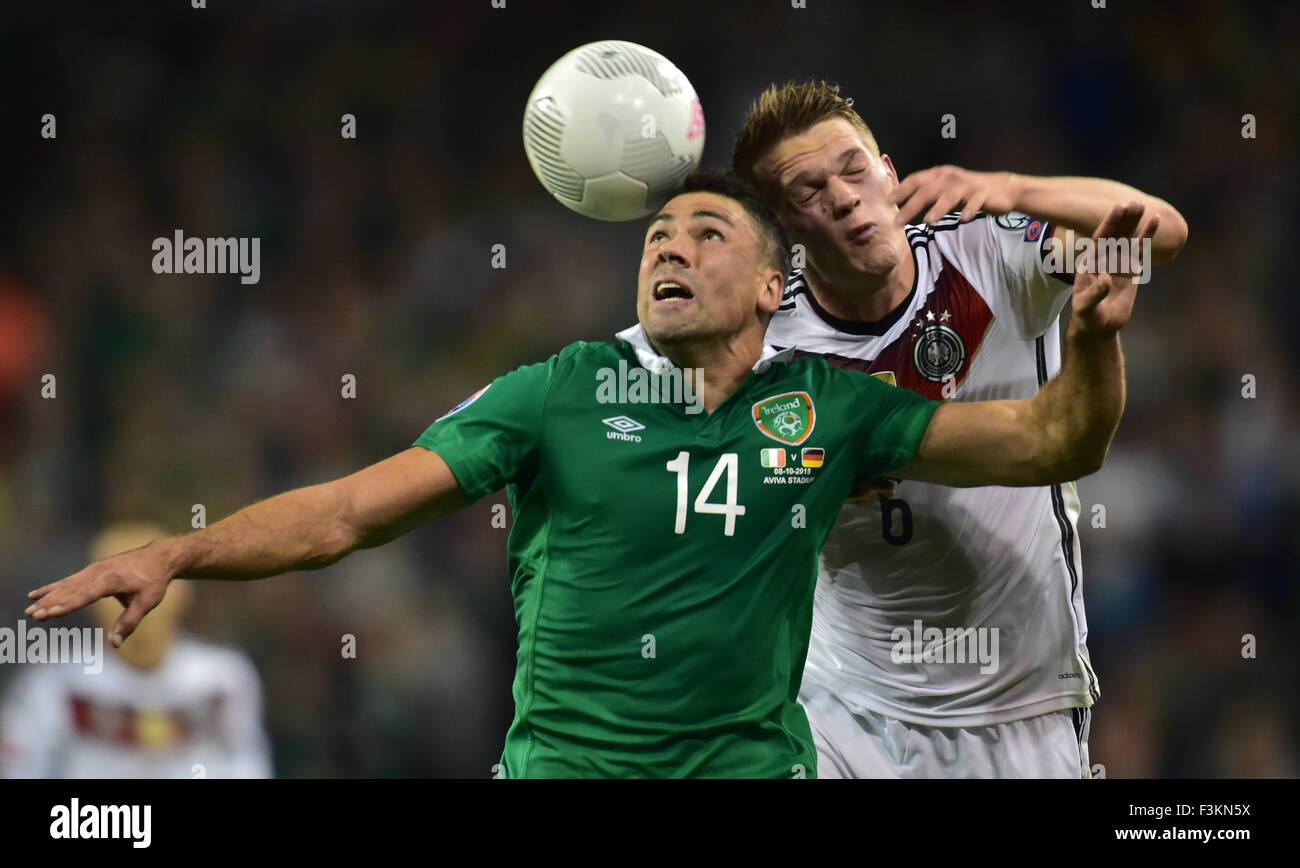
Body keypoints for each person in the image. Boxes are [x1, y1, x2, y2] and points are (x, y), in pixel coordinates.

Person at [25, 171, 1153, 778]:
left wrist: (1094, 338)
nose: (669, 247)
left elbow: (1053, 443)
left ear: (774, 292)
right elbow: (345, 516)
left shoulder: (832, 409)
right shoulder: (557, 392)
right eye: (657, 236)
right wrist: (180, 553)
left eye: (706, 234)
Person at [731, 80, 1187, 778]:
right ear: (780, 231)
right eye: (808, 192)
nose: (844, 197)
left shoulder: (987, 249)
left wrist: (1011, 189)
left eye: (854, 169)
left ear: (888, 173)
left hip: (1019, 703)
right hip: (842, 701)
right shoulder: (763, 347)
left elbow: (1165, 235)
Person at [2, 521, 272, 778]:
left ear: (184, 594)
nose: (135, 602)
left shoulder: (222, 680)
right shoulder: (55, 684)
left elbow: (248, 767)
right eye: (115, 589)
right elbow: (20, 770)